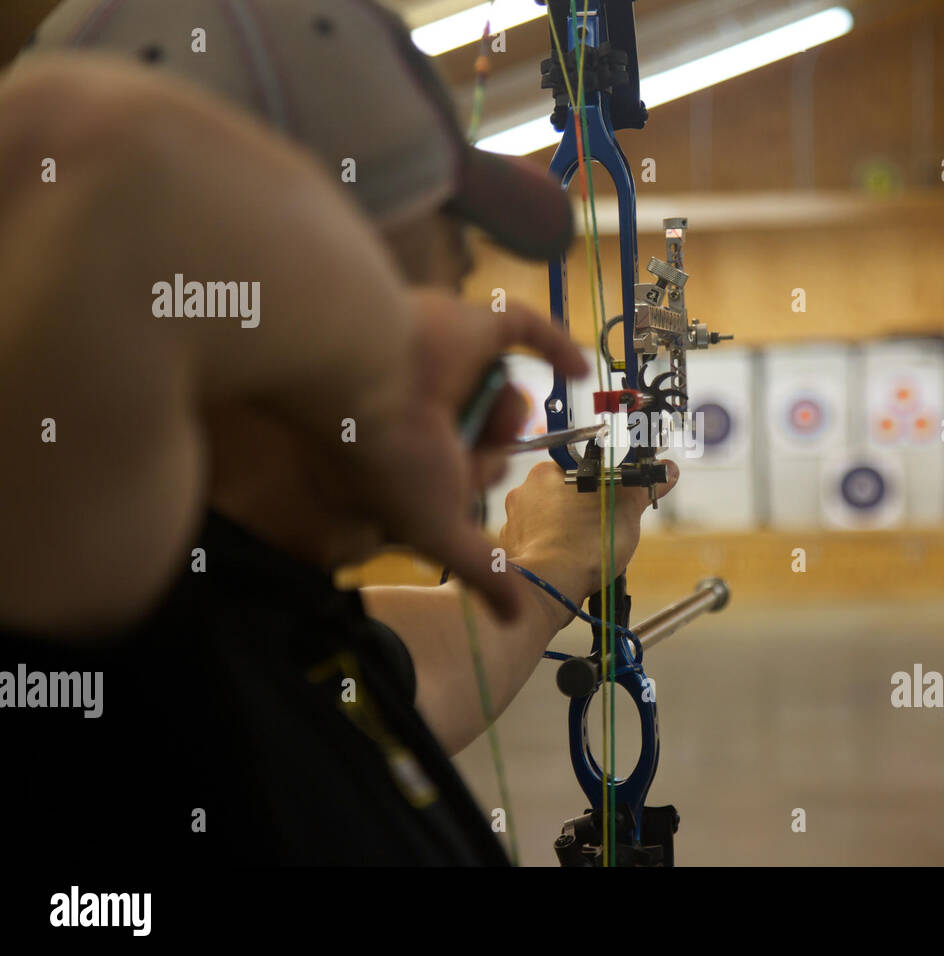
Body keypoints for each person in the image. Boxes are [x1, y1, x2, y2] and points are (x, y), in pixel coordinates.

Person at [0, 0, 675, 865]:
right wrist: (372, 358)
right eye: (441, 267)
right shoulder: (87, 658)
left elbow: (407, 672)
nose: (458, 315)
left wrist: (548, 567)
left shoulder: (265, 632)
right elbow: (65, 140)